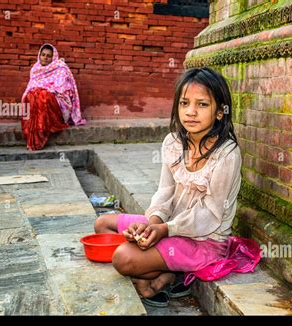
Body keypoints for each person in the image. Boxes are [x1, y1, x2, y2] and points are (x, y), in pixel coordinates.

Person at [94, 67, 246, 307]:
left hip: (204, 240)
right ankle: (164, 274)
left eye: (202, 105)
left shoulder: (227, 154)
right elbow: (165, 192)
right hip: (169, 226)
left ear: (220, 112)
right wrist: (151, 225)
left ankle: (159, 277)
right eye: (184, 103)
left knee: (122, 257)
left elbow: (211, 214)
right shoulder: (173, 143)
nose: (191, 112)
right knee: (102, 224)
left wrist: (165, 230)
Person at [21, 43, 86, 151]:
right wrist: (38, 90)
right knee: (31, 96)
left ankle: (40, 135)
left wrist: (42, 89)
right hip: (39, 97)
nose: (45, 58)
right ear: (39, 56)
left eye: (49, 56)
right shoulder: (35, 69)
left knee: (42, 96)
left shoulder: (60, 68)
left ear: (53, 57)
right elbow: (31, 87)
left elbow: (60, 88)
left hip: (57, 102)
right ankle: (32, 136)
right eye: (43, 55)